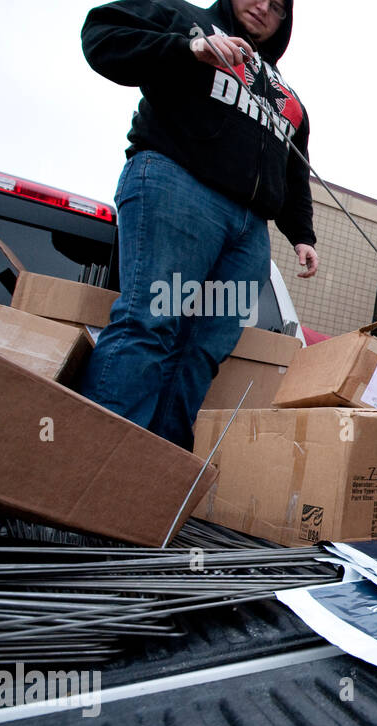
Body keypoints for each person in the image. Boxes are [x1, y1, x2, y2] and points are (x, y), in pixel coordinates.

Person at [78, 0, 318, 450]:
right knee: (150, 323)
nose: (264, 7)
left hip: (249, 234)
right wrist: (188, 48)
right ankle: (93, 481)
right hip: (178, 188)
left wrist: (302, 233)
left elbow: (294, 172)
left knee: (203, 351)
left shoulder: (289, 99)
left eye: (279, 6)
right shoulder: (185, 20)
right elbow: (102, 33)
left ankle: (152, 483)